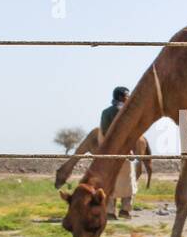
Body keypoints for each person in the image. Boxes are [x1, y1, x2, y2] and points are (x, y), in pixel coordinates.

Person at [54, 87, 147, 219]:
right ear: (122, 97)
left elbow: (104, 133)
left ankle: (110, 211)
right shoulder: (125, 113)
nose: (129, 98)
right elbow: (125, 135)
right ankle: (125, 210)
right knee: (128, 183)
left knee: (110, 183)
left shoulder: (105, 112)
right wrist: (129, 151)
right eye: (128, 96)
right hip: (123, 154)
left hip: (107, 154)